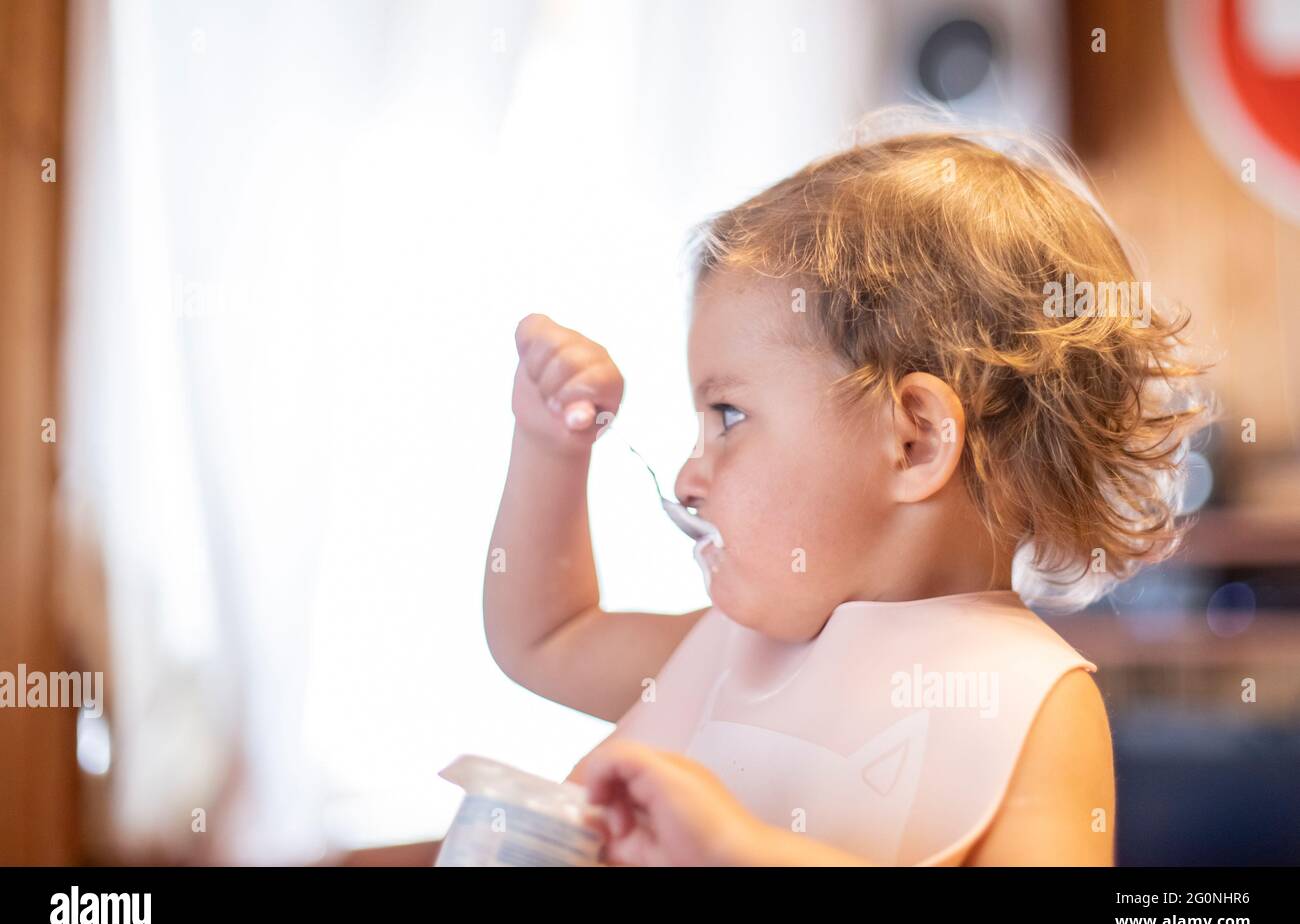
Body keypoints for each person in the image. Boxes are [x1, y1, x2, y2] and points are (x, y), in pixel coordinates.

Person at [483, 110, 1214, 866]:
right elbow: (546, 638)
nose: (687, 477)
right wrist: (549, 446)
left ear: (915, 441)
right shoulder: (731, 644)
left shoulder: (1031, 701)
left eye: (728, 415)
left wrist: (745, 855)